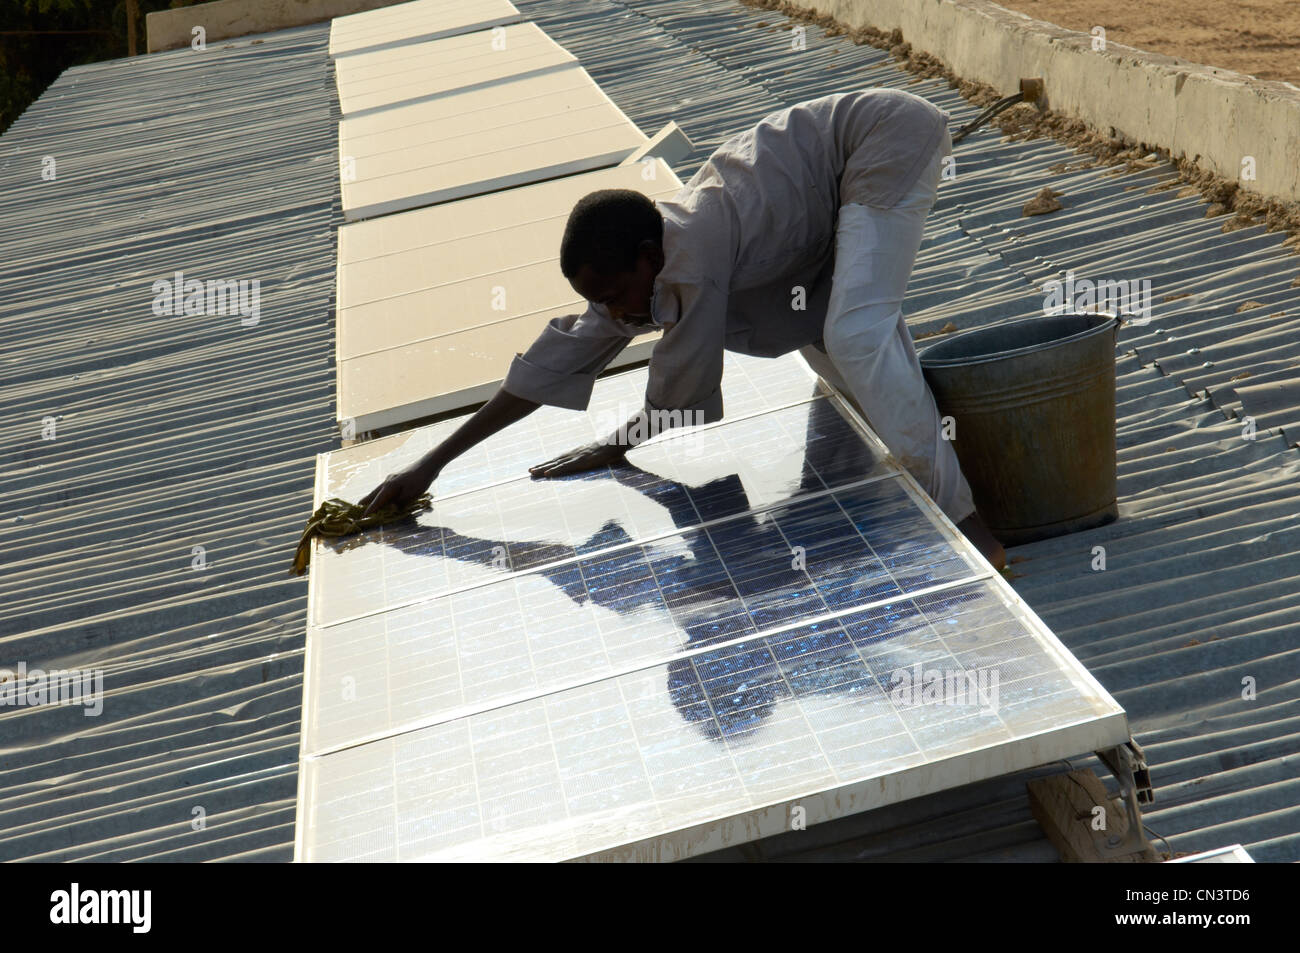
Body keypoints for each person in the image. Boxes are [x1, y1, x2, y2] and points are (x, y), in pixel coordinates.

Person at [359, 87, 1005, 569]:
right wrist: (428, 465)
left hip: (878, 142)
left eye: (613, 296)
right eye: (598, 303)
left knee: (858, 335)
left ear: (648, 255)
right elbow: (547, 367)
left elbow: (677, 401)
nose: (614, 316)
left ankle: (970, 523)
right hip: (814, 231)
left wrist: (620, 442)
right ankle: (983, 479)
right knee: (855, 371)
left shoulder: (690, 256)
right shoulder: (641, 270)